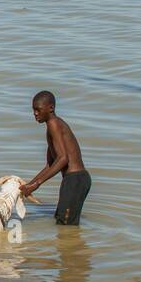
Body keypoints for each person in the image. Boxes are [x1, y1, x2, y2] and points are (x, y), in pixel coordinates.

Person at [21, 91, 90, 225]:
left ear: (51, 108)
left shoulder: (54, 124)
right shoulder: (52, 127)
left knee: (65, 225)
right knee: (62, 221)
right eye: (33, 110)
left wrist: (36, 184)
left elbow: (63, 158)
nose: (35, 113)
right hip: (75, 181)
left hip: (76, 180)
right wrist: (29, 185)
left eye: (38, 109)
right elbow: (50, 164)